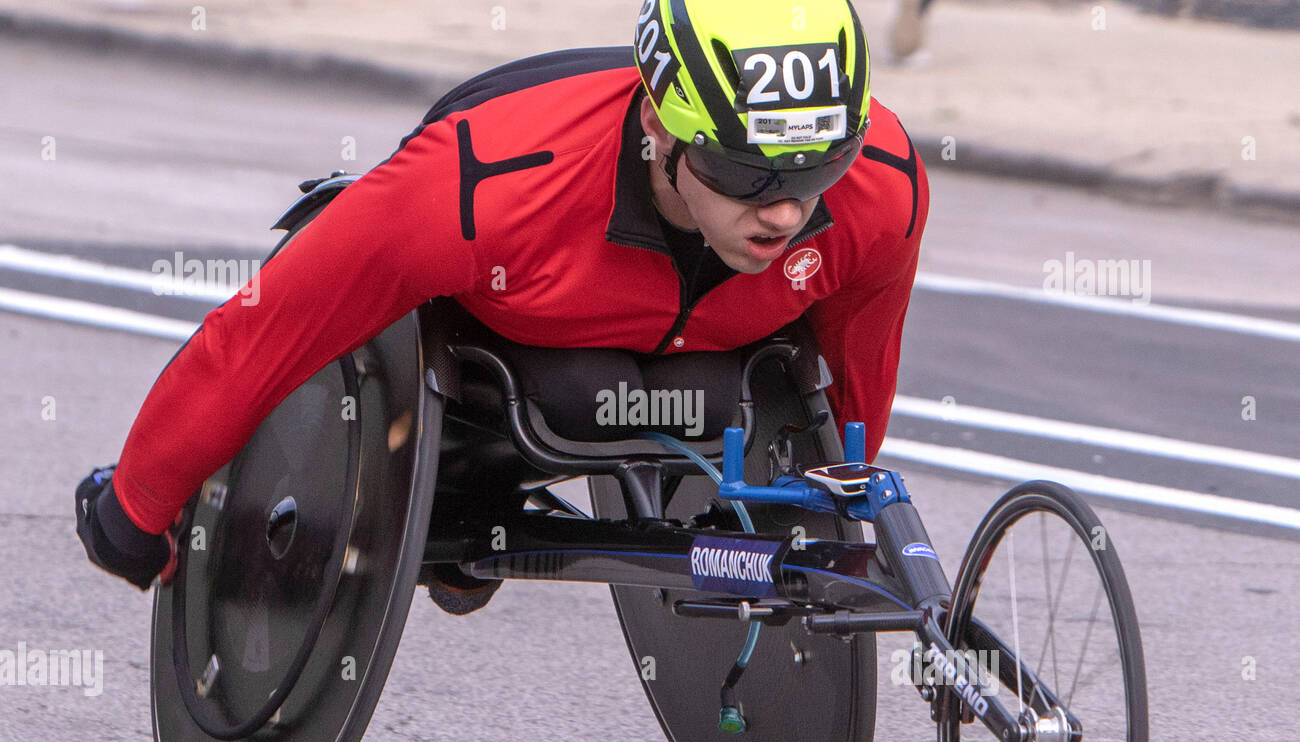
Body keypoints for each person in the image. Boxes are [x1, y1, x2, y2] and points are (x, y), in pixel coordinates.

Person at [75, 0, 930, 592]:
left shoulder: (880, 187)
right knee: (571, 390)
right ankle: (467, 470)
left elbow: (855, 377)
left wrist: (837, 516)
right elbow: (263, 336)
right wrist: (138, 505)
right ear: (659, 130)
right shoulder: (474, 188)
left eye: (817, 169)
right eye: (747, 171)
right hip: (515, 326)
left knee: (682, 393)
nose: (785, 210)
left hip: (702, 360)